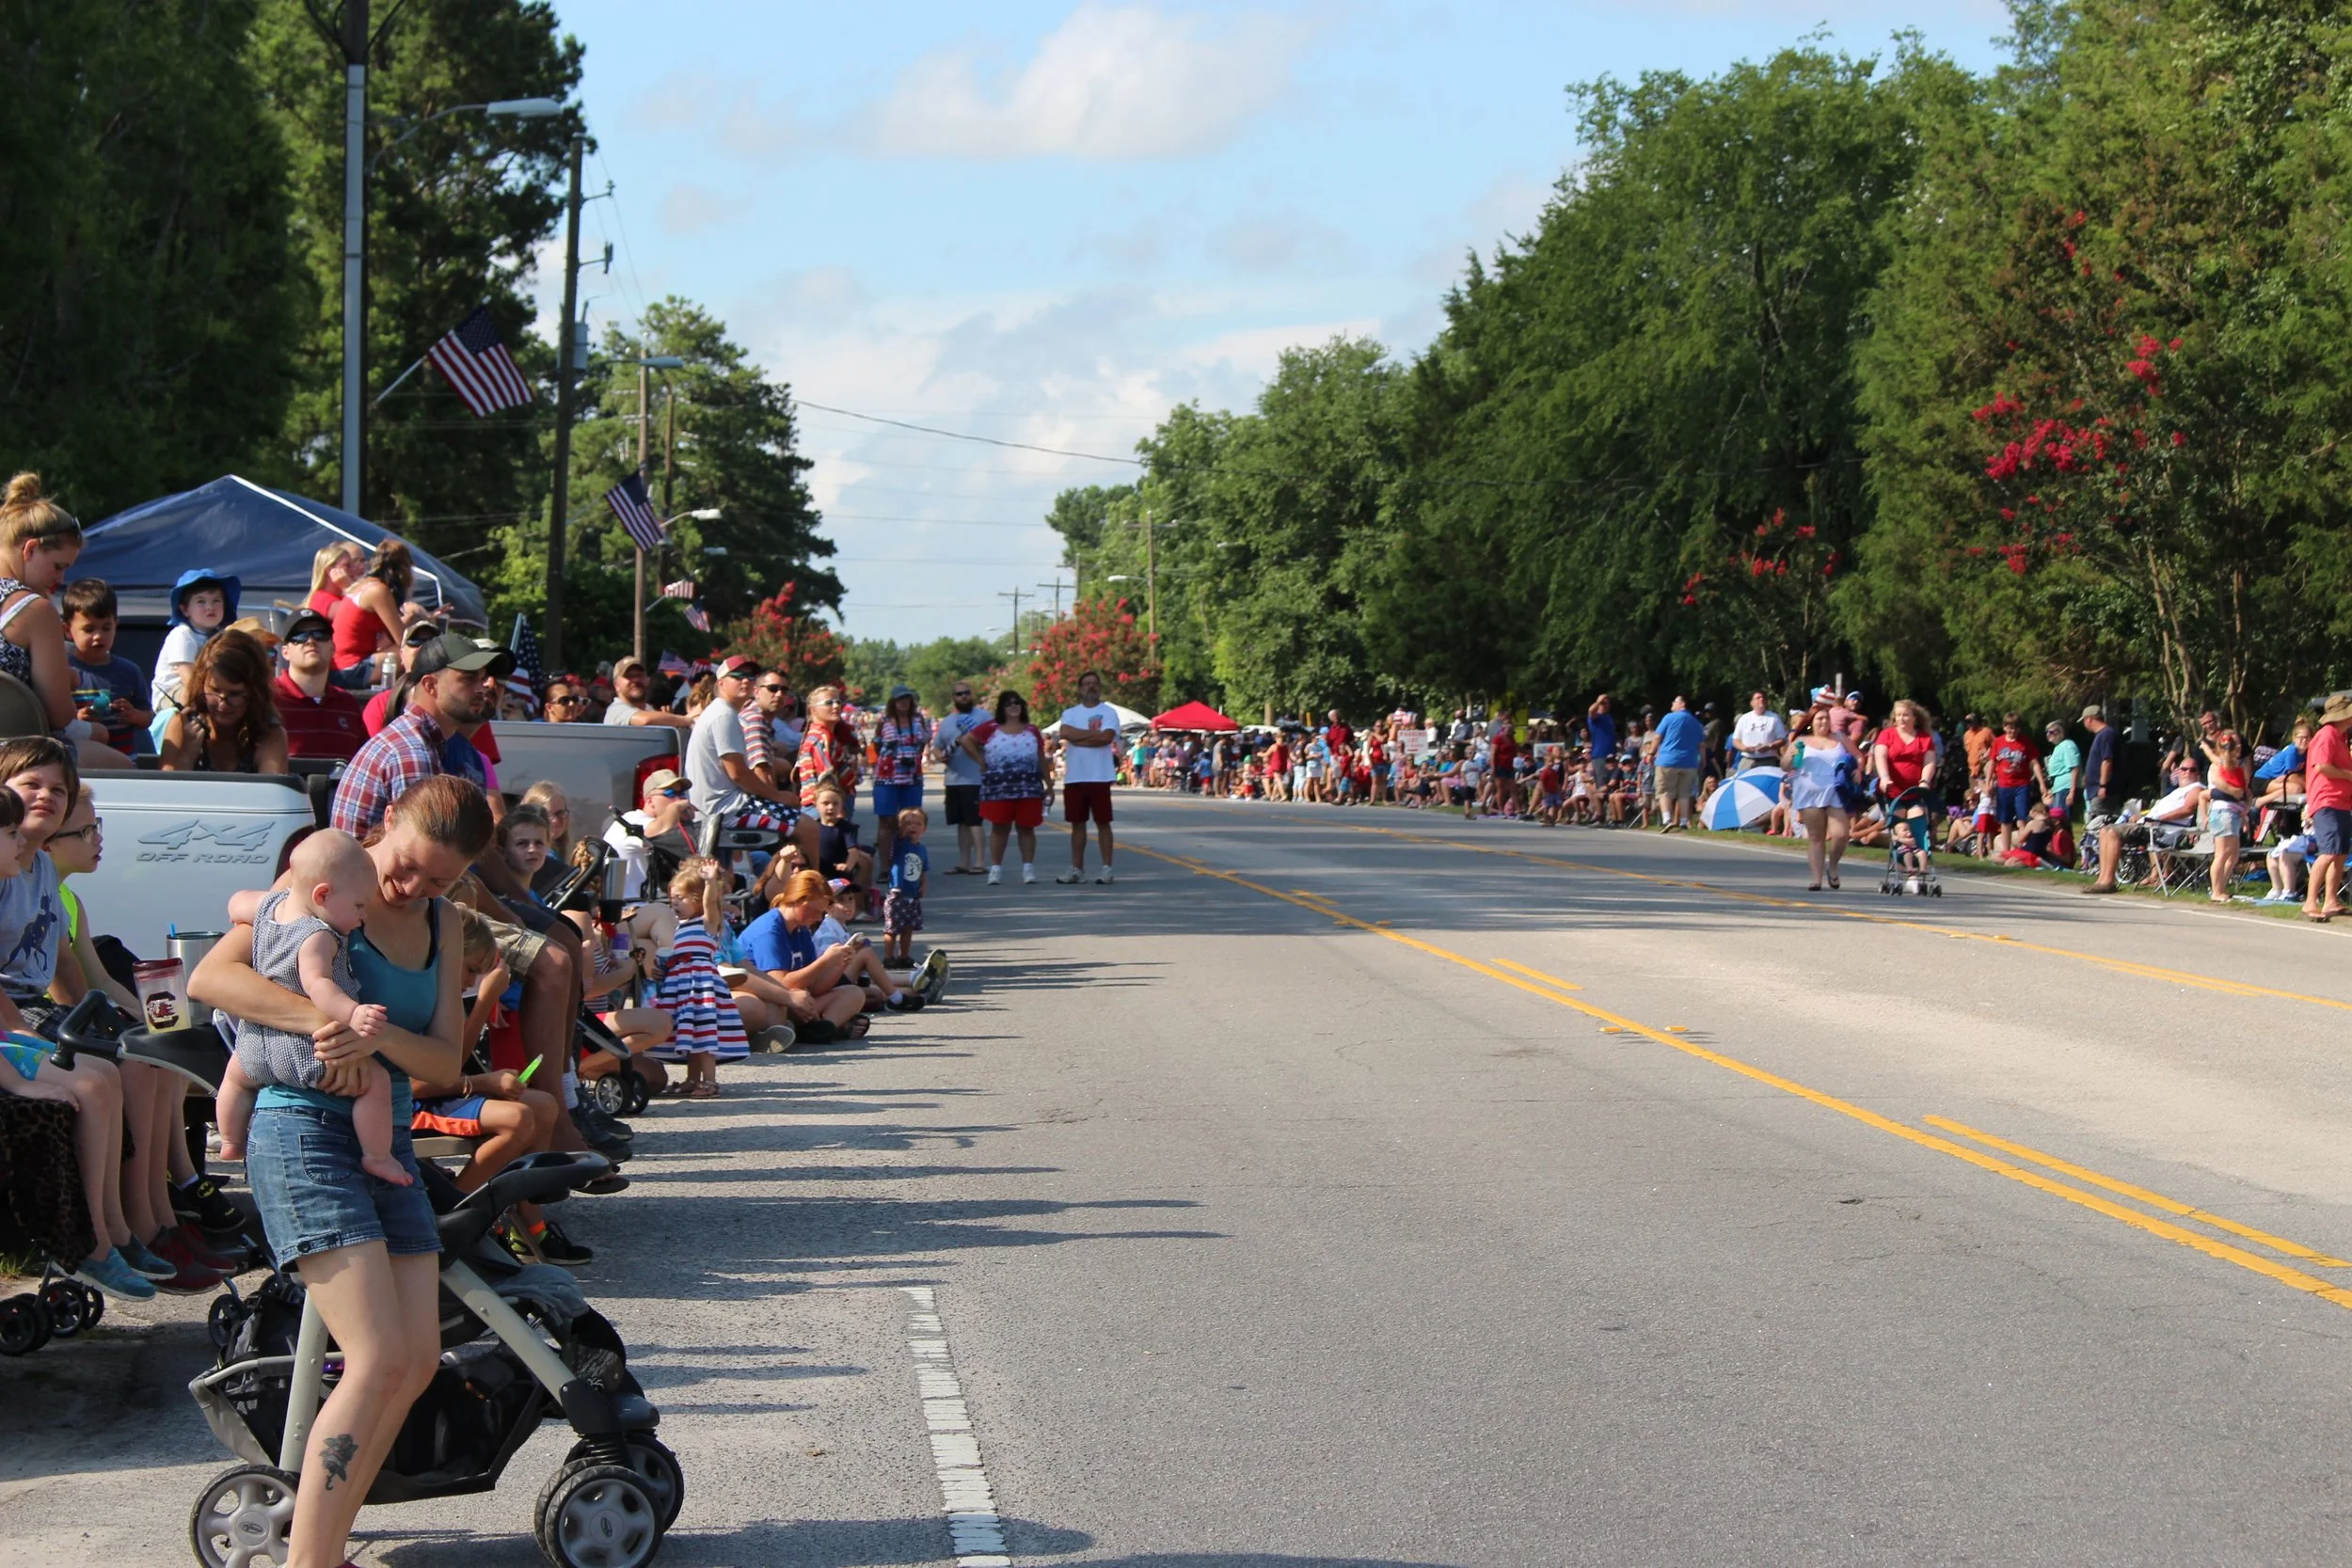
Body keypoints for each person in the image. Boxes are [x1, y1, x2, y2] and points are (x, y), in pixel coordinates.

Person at [191, 776, 487, 1568]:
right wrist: (329, 1022)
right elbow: (212, 979)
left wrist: (373, 1044)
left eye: (438, 882)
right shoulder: (322, 879)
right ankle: (310, 1562)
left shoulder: (445, 921)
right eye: (411, 866)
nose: (413, 888)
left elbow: (444, 1060)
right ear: (388, 822)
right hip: (300, 1127)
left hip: (380, 1136)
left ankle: (325, 1544)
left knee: (417, 1358)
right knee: (380, 1354)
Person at [214, 832, 408, 1187]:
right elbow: (318, 984)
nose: (364, 917)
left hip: (255, 1042)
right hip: (306, 1050)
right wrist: (352, 1014)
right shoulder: (319, 935)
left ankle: (230, 1141)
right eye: (359, 906)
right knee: (377, 1082)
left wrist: (241, 909)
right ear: (322, 895)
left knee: (234, 1078)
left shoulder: (269, 909)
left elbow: (235, 903)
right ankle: (378, 1156)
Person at [647, 860, 749, 1099]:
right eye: (672, 897)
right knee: (690, 1032)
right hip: (682, 984)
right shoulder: (680, 926)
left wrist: (711, 881)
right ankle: (692, 1079)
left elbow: (710, 902)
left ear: (697, 897)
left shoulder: (707, 922)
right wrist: (663, 970)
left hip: (701, 984)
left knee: (704, 1032)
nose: (674, 902)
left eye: (680, 897)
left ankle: (710, 1081)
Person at [685, 654, 803, 838]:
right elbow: (739, 774)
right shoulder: (724, 715)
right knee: (808, 828)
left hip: (719, 805)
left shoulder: (725, 712)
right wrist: (777, 797)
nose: (746, 681)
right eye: (738, 676)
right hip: (724, 810)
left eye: (750, 677)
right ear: (721, 682)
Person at [160, 631, 291, 773]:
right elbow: (167, 792)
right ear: (201, 683)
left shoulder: (269, 735)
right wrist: (187, 756)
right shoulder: (182, 725)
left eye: (235, 694)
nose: (222, 704)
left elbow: (271, 793)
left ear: (255, 692)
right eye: (215, 690)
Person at [2084, 758, 2208, 894]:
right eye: (2184, 769)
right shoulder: (2176, 791)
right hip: (2151, 825)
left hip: (2164, 830)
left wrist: (2157, 819)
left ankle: (2108, 882)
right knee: (2104, 831)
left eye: (2192, 770)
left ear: (2198, 774)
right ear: (2179, 771)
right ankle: (2101, 880)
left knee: (2113, 832)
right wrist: (2142, 817)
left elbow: (2187, 810)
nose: (2188, 772)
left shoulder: (2196, 788)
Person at [961, 689, 1047, 884]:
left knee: (1027, 827)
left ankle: (1028, 868)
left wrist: (1048, 784)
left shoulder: (1032, 730)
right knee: (1000, 828)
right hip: (998, 787)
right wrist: (981, 762)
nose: (1013, 707)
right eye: (1008, 704)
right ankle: (996, 869)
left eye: (1017, 703)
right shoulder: (991, 728)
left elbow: (1041, 758)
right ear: (1002, 708)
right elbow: (966, 740)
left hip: (1029, 786)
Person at [61, 578, 152, 754]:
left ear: (116, 625)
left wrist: (133, 715)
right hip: (81, 764)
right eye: (89, 629)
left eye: (106, 628)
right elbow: (55, 721)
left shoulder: (129, 671)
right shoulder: (63, 671)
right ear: (67, 630)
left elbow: (147, 717)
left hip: (125, 763)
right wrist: (78, 720)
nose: (98, 636)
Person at [273, 609, 369, 761]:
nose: (311, 641)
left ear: (332, 648)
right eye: (300, 636)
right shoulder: (268, 699)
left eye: (320, 635)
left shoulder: (348, 704)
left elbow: (363, 762)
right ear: (285, 652)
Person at [1055, 670, 1120, 883]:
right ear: (1080, 688)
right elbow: (1065, 733)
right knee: (1077, 824)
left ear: (1099, 687)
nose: (1091, 687)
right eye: (1086, 684)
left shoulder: (1109, 712)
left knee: (1103, 822)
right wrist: (1094, 736)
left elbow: (1106, 738)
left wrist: (1079, 737)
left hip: (1100, 776)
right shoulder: (1070, 713)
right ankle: (1077, 869)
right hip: (1075, 776)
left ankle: (1107, 869)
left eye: (1095, 683)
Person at [870, 684, 930, 904]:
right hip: (887, 775)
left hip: (912, 776)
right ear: (893, 703)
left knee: (910, 820)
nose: (903, 703)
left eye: (907, 699)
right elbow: (876, 747)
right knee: (886, 820)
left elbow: (923, 744)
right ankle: (886, 867)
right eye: (899, 700)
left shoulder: (919, 721)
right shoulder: (884, 722)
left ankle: (908, 864)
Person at [1785, 706, 1856, 891]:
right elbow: (1784, 765)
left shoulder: (1839, 738)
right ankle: (1816, 879)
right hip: (1809, 793)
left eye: (1826, 718)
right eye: (1819, 719)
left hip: (1836, 791)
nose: (1824, 722)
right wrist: (1790, 756)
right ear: (1811, 722)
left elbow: (1858, 756)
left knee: (1841, 835)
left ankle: (1832, 866)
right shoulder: (1801, 741)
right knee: (1816, 837)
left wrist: (1857, 770)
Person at [329, 537, 420, 676]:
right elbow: (402, 640)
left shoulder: (362, 585)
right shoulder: (378, 591)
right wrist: (419, 620)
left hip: (340, 666)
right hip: (350, 668)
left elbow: (385, 639)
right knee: (414, 651)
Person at [1871, 699, 1941, 866]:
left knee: (1917, 824)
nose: (1901, 719)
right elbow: (1880, 756)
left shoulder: (1924, 738)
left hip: (1915, 791)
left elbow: (1930, 761)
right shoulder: (1886, 735)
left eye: (1905, 715)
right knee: (1900, 827)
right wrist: (1884, 777)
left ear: (1914, 718)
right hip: (1893, 792)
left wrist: (1925, 781)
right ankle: (1904, 864)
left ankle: (1920, 860)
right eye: (1898, 715)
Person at [2302, 694, 2352, 921]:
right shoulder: (2327, 735)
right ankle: (2310, 901)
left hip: (2340, 801)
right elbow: (2322, 766)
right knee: (2329, 852)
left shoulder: (2339, 737)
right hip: (2326, 801)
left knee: (2340, 853)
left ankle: (2331, 900)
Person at [1986, 713, 2047, 856]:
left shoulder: (2025, 742)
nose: (2012, 731)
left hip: (2021, 785)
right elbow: (1992, 763)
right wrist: (1989, 782)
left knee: (2022, 818)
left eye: (2015, 728)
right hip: (2004, 785)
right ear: (2004, 727)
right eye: (2009, 728)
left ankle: (2024, 849)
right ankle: (2006, 852)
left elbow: (2034, 763)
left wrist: (2042, 784)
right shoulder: (1999, 742)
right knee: (2005, 820)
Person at [2203, 729, 2251, 903]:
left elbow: (2246, 789)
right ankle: (2216, 891)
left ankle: (2222, 887)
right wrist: (2234, 791)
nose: (2237, 747)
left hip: (2235, 811)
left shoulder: (2240, 765)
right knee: (2222, 853)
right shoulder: (2219, 764)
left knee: (2233, 854)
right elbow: (2217, 782)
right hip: (2223, 810)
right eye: (2233, 744)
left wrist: (2245, 806)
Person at [883, 806, 930, 968]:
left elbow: (924, 869)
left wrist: (924, 885)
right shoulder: (900, 844)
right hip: (898, 894)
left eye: (918, 823)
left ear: (924, 828)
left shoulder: (922, 849)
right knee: (892, 928)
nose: (913, 827)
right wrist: (901, 830)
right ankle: (889, 957)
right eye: (908, 823)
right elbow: (896, 837)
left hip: (913, 894)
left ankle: (904, 956)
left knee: (908, 927)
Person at [1651, 695, 1705, 832]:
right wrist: (1702, 761)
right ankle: (1683, 821)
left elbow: (1657, 736)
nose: (1672, 704)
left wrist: (1651, 752)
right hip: (1689, 762)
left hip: (1668, 760)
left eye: (1674, 701)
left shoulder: (1669, 717)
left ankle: (1667, 819)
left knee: (1664, 791)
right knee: (1684, 793)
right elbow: (1702, 745)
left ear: (1682, 704)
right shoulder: (1697, 723)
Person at [600, 655, 691, 729]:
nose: (635, 680)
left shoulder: (648, 709)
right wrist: (687, 720)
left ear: (647, 680)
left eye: (639, 675)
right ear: (617, 685)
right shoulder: (615, 709)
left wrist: (667, 720)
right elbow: (645, 720)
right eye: (629, 676)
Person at [2077, 705, 2118, 819]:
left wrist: (2103, 785)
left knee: (2098, 823)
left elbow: (2107, 761)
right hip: (2093, 789)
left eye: (2084, 720)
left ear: (2089, 719)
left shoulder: (2106, 734)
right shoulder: (2100, 736)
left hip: (2101, 790)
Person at [307, 541, 366, 619]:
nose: (353, 568)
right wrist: (348, 587)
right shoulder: (321, 599)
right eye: (347, 565)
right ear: (329, 570)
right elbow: (358, 614)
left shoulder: (340, 597)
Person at [1730, 690, 1786, 770]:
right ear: (1752, 703)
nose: (1761, 699)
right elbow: (1735, 741)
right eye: (1758, 698)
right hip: (1748, 760)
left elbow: (1782, 739)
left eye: (1763, 697)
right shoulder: (1744, 718)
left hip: (1768, 760)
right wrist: (1745, 748)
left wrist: (1769, 746)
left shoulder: (1774, 718)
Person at [2043, 719, 2082, 824]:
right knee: (2056, 819)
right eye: (2047, 732)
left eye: (2052, 731)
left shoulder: (2067, 745)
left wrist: (2071, 792)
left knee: (2061, 820)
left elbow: (2074, 768)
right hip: (2058, 787)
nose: (2048, 734)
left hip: (2066, 788)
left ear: (2061, 732)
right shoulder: (2058, 747)